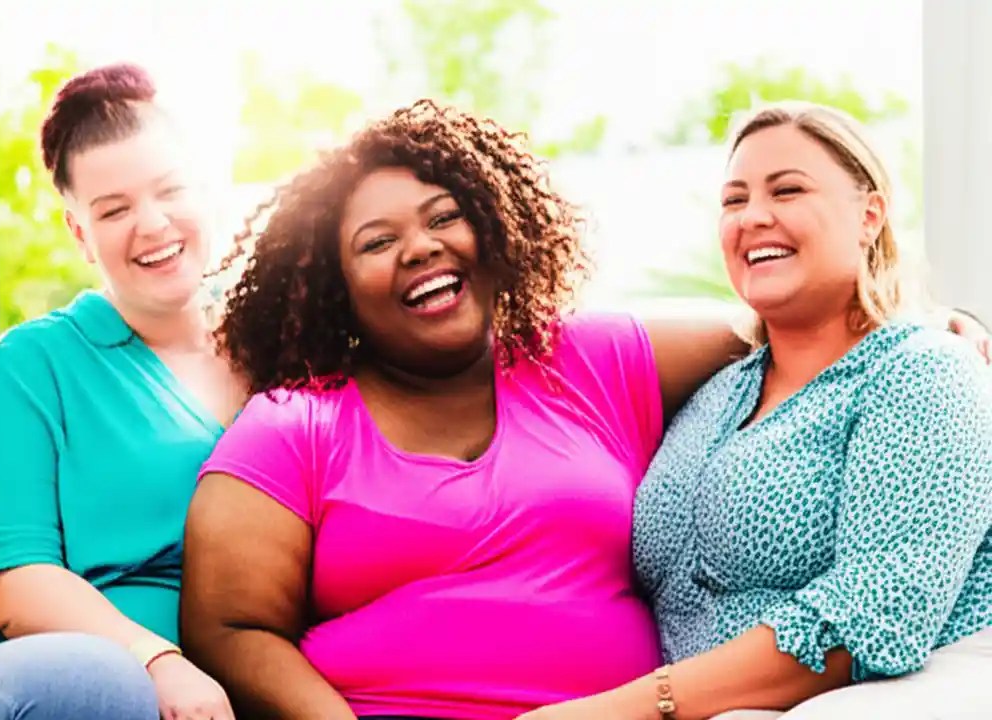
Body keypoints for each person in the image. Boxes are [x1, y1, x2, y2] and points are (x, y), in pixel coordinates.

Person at [180, 98, 784, 720]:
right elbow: (227, 627)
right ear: (339, 288)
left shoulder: (589, 360)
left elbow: (783, 332)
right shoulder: (293, 425)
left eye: (444, 217)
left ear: (495, 230)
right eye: (378, 242)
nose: (419, 248)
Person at [521, 103, 992, 720]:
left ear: (869, 215)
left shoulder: (921, 370)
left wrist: (627, 707)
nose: (754, 217)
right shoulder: (716, 390)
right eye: (733, 200)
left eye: (788, 190)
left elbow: (878, 611)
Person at [0, 63, 240, 720]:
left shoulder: (284, 347)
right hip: (29, 681)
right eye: (114, 210)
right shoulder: (31, 366)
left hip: (231, 673)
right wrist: (157, 664)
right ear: (80, 234)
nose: (152, 224)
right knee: (95, 678)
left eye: (170, 190)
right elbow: (15, 591)